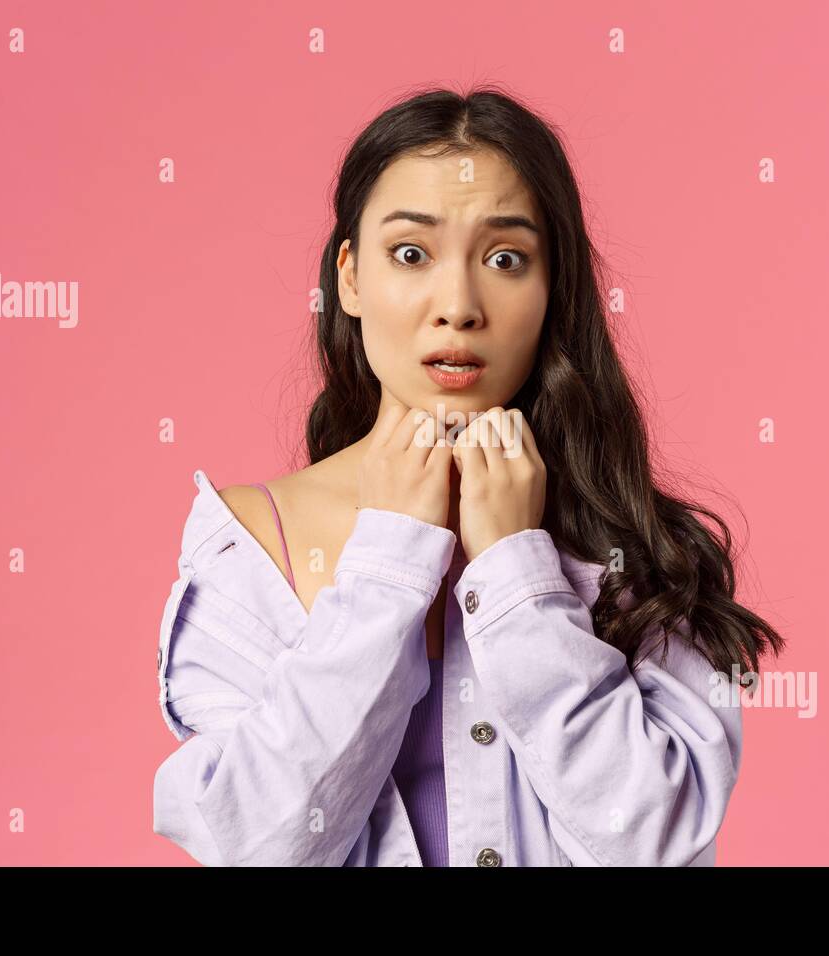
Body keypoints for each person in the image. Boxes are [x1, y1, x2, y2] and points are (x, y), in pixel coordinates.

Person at [152, 84, 787, 867]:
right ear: (350, 277)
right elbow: (254, 843)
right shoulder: (250, 541)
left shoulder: (638, 550)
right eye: (411, 254)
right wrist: (389, 565)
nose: (458, 305)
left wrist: (518, 571)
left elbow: (656, 844)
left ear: (553, 289)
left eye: (505, 259)